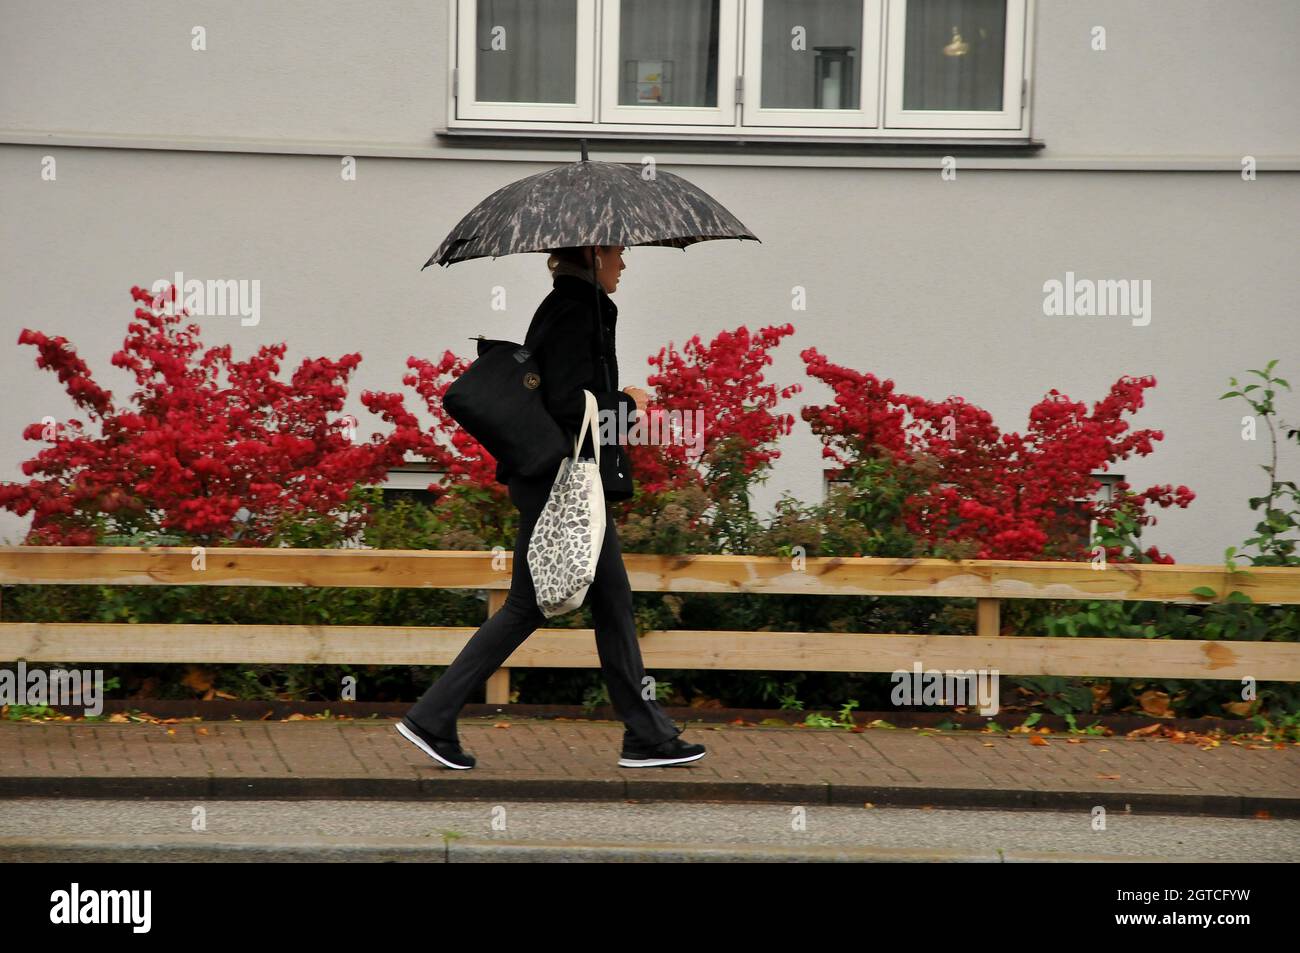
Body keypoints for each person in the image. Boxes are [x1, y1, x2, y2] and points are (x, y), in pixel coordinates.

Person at [397, 244, 707, 770]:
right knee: (556, 604)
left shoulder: (573, 305)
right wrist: (630, 402)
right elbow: (566, 402)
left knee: (593, 602)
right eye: (619, 253)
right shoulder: (576, 309)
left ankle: (435, 717)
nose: (625, 265)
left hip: (556, 478)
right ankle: (644, 735)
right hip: (564, 482)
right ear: (593, 254)